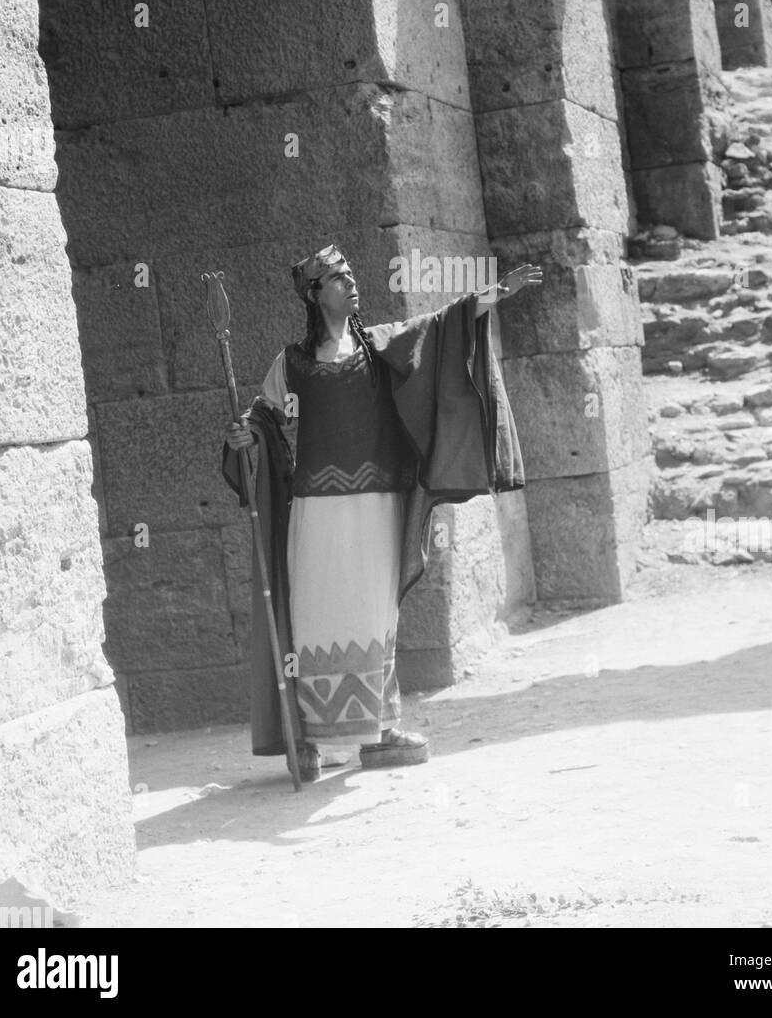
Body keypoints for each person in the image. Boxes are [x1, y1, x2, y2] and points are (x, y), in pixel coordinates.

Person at [223, 245, 541, 781]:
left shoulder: (378, 346)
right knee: (317, 614)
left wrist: (496, 294)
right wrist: (243, 437)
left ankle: (381, 732)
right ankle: (311, 737)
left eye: (351, 274)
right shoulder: (292, 363)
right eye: (338, 278)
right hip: (316, 511)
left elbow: (441, 328)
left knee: (374, 614)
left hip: (376, 505)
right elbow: (264, 422)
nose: (351, 284)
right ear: (313, 292)